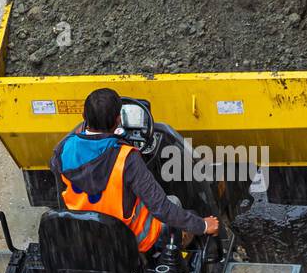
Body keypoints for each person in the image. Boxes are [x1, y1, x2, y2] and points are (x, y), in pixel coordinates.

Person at [51, 87, 219, 252]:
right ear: (118, 120)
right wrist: (203, 225)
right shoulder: (127, 158)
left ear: (84, 117)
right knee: (175, 203)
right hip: (128, 242)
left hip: (87, 237)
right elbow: (162, 209)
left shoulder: (63, 149)